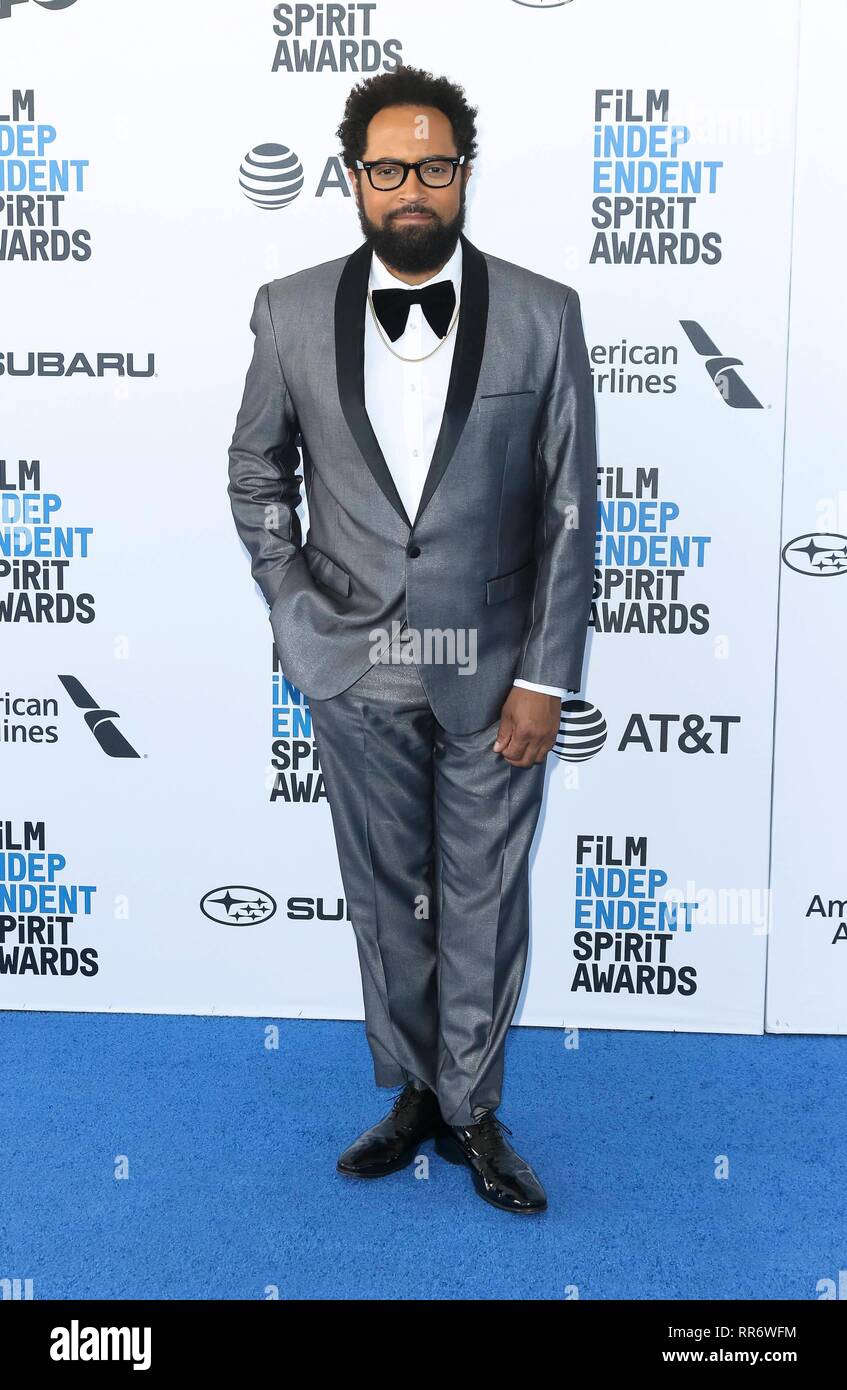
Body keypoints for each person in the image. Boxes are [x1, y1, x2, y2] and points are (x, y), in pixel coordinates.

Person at [227, 65, 597, 1213]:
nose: (411, 187)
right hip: (353, 663)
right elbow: (255, 471)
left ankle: (474, 1109)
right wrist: (294, 605)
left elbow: (569, 505)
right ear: (351, 177)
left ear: (464, 175)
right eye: (387, 167)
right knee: (388, 893)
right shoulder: (288, 308)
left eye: (434, 165)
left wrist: (545, 673)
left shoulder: (543, 312)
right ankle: (414, 1094)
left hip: (496, 673)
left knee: (479, 891)